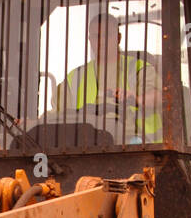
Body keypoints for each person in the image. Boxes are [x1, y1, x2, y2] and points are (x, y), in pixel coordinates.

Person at [52, 11, 160, 140]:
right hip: (89, 146)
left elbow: (160, 96)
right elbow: (56, 115)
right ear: (90, 40)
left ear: (118, 38)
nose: (101, 41)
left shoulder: (139, 69)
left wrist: (137, 99)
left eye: (107, 35)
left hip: (140, 146)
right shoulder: (75, 77)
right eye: (96, 36)